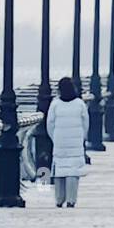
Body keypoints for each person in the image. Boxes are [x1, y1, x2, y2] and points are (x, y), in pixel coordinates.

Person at [46, 77, 90, 208]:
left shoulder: (55, 104)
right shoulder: (80, 104)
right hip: (76, 143)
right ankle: (71, 200)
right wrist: (82, 137)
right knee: (73, 172)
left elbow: (50, 123)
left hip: (60, 141)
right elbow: (85, 123)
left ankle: (59, 199)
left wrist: (55, 138)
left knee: (59, 170)